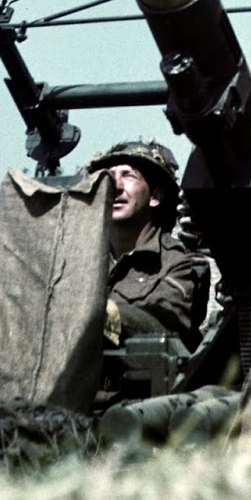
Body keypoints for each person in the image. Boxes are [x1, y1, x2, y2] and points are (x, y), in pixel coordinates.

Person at [85, 140, 210, 350]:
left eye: (129, 176)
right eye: (109, 177)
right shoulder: (83, 261)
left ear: (154, 197)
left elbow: (166, 325)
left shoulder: (180, 263)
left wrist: (99, 314)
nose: (116, 186)